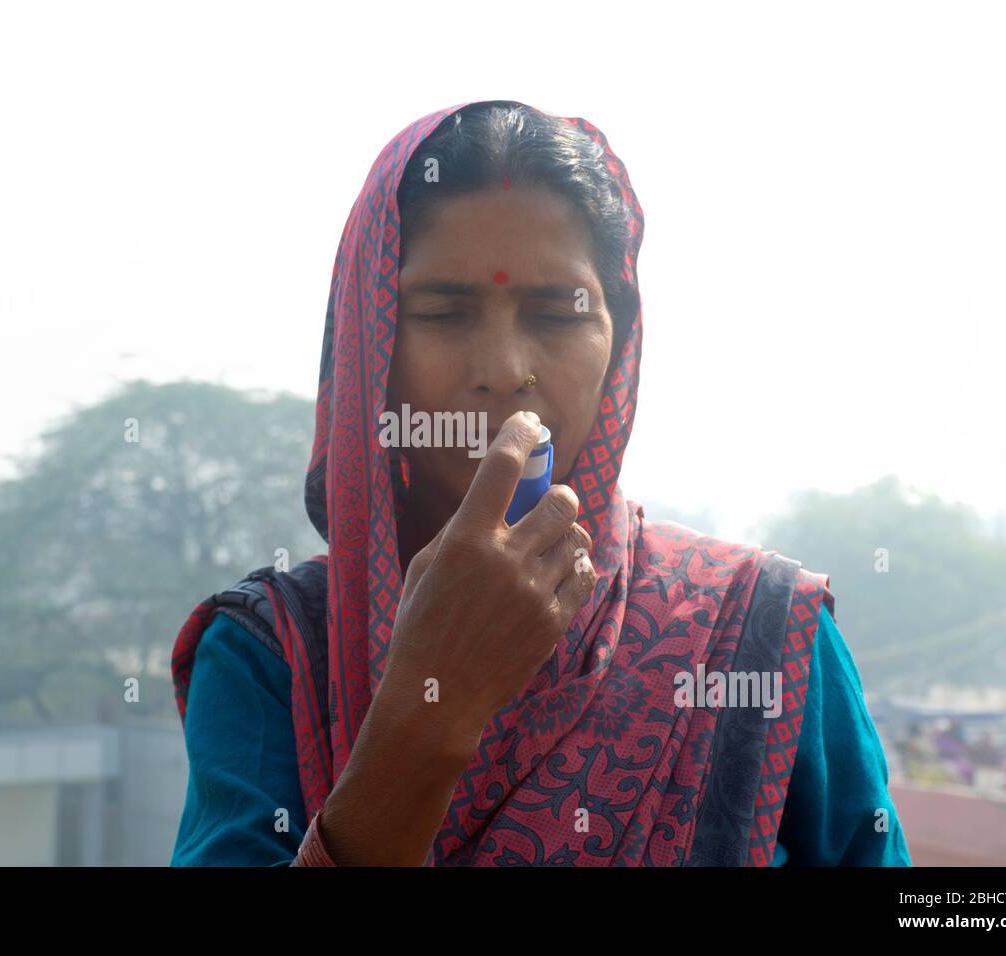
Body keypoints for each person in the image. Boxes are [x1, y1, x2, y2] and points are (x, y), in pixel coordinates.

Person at [169, 99, 912, 867]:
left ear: (618, 344)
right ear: (371, 345)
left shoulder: (756, 631)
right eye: (442, 311)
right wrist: (432, 707)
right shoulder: (277, 652)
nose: (503, 371)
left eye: (558, 312)